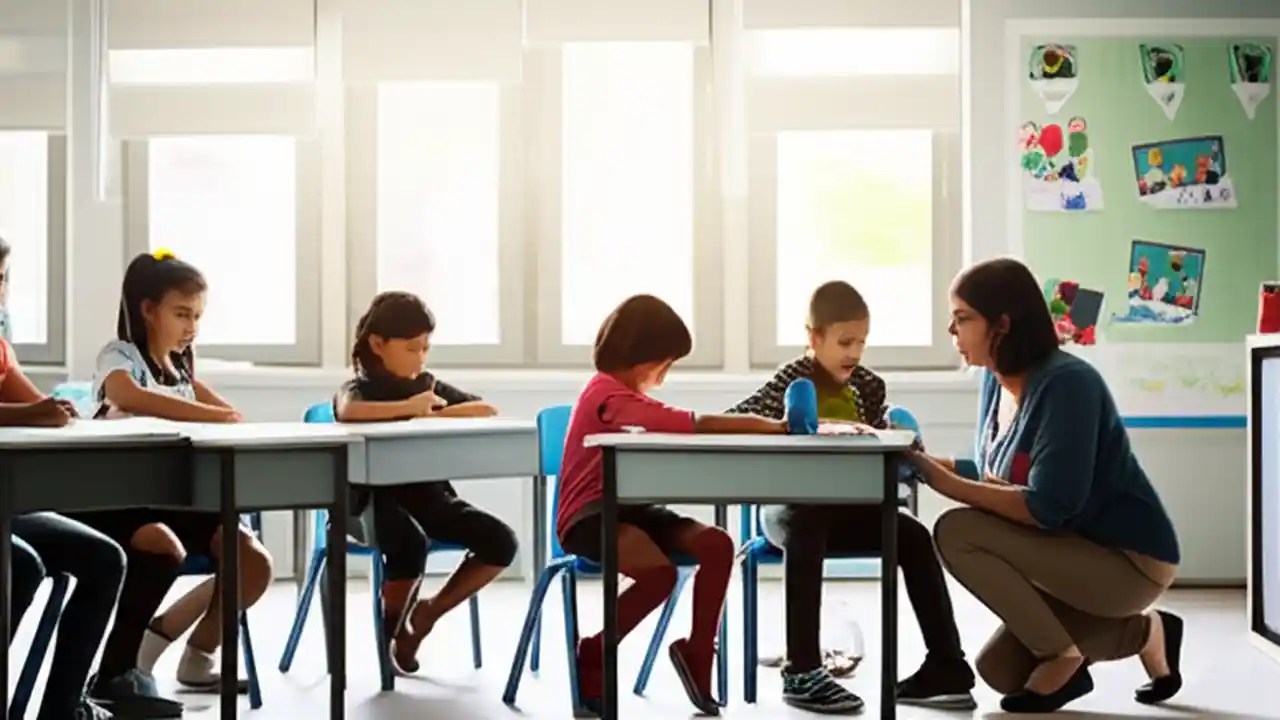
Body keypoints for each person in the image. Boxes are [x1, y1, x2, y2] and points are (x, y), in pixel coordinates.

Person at [908, 257, 1183, 713]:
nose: (951, 331)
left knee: (958, 530)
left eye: (962, 318)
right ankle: (1150, 633)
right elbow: (996, 474)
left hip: (1128, 560)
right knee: (1000, 671)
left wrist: (943, 482)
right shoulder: (994, 382)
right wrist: (919, 461)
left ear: (1002, 325)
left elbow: (1047, 506)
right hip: (1068, 550)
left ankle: (1064, 656)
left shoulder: (1069, 384)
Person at [728, 281, 975, 714]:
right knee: (809, 522)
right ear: (813, 338)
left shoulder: (869, 387)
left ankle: (947, 666)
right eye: (844, 342)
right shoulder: (791, 381)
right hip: (791, 513)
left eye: (861, 342)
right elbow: (735, 420)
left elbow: (888, 443)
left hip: (848, 512)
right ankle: (802, 670)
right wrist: (784, 426)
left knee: (913, 535)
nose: (854, 353)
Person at [557, 294, 787, 716]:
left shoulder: (625, 394)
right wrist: (775, 426)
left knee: (717, 545)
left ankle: (699, 652)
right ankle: (594, 650)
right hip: (589, 515)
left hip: (635, 509)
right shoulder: (606, 394)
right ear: (645, 357)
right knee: (659, 575)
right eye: (667, 362)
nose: (665, 373)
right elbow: (690, 423)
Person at [67, 251, 272, 715]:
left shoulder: (182, 370)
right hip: (125, 498)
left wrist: (215, 412)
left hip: (180, 497)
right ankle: (118, 672)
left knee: (252, 561)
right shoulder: (120, 355)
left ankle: (190, 656)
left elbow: (231, 417)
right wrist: (210, 413)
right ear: (147, 310)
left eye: (197, 316)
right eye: (182, 314)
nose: (191, 327)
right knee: (161, 545)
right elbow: (126, 395)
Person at [333, 291, 518, 674]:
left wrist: (433, 413)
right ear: (378, 345)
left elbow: (485, 408)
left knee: (501, 541)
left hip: (430, 497)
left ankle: (427, 614)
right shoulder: (359, 386)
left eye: (425, 348)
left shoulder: (428, 384)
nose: (421, 358)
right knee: (408, 542)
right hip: (373, 502)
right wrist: (409, 410)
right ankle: (391, 634)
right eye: (412, 348)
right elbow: (349, 412)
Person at [0, 254, 125, 719]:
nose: (2, 291)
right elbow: (27, 413)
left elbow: (35, 404)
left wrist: (59, 412)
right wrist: (33, 413)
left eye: (4, 279)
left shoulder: (0, 348)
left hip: (8, 503)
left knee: (104, 557)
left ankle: (63, 708)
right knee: (20, 564)